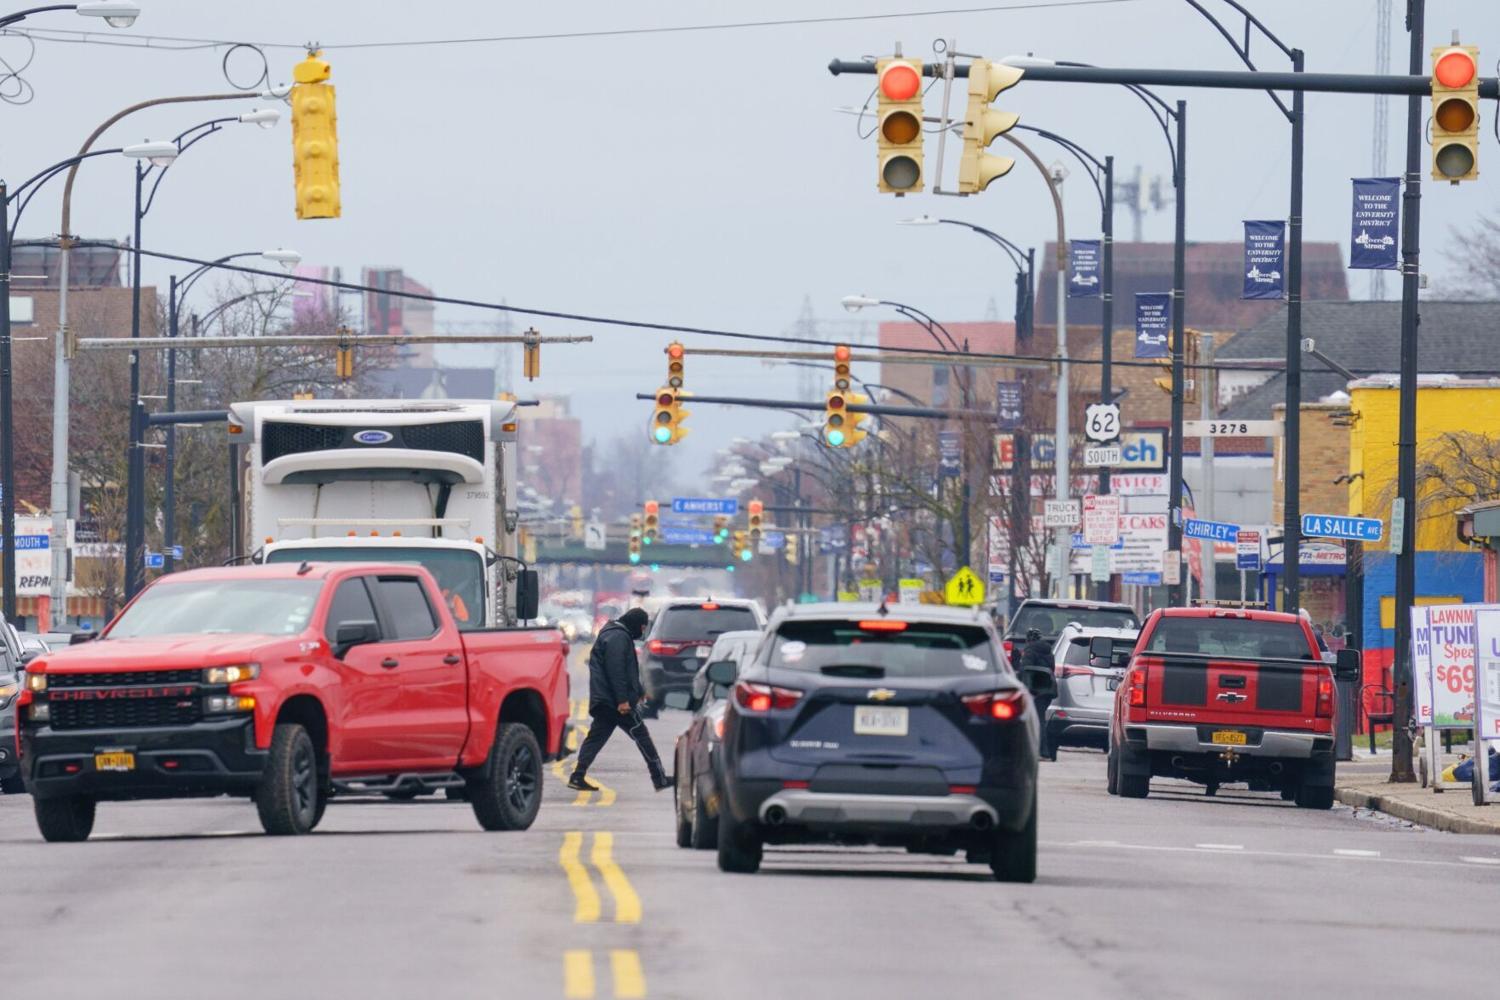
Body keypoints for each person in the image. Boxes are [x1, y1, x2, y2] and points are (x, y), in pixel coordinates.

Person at [568, 608, 671, 792]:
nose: (642, 631)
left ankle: (577, 776)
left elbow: (627, 671)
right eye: (642, 627)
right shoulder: (618, 637)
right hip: (614, 703)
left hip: (607, 702)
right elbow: (617, 672)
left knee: (596, 738)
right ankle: (660, 779)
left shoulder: (616, 634)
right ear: (635, 624)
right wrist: (623, 700)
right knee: (642, 737)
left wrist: (639, 692)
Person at [1018, 627, 1059, 762]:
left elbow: (1025, 670)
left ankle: (1043, 752)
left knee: (1037, 721)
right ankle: (1046, 751)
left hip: (1035, 690)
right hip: (1048, 690)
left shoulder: (1029, 650)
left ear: (1029, 640)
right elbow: (1051, 669)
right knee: (1040, 719)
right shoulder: (1048, 651)